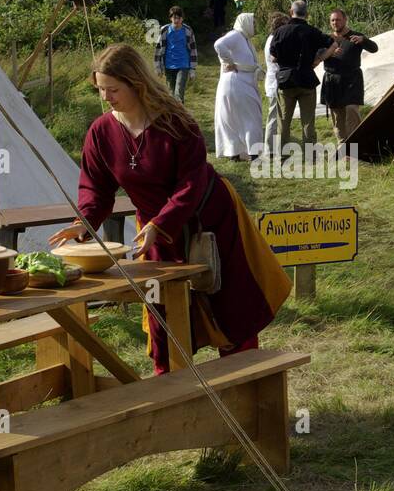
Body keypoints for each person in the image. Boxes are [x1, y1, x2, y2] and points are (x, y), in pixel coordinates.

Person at [49, 45, 291, 375]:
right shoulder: (101, 132)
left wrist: (162, 222)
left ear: (136, 83)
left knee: (228, 305)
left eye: (113, 89)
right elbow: (95, 187)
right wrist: (84, 222)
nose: (106, 96)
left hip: (212, 220)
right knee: (162, 307)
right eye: (100, 88)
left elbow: (191, 182)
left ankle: (244, 386)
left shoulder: (177, 123)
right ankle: (171, 388)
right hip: (155, 231)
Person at [271, 0, 339, 149]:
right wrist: (319, 59)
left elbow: (273, 56)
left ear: (291, 12)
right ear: (306, 14)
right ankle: (310, 155)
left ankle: (282, 156)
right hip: (307, 79)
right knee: (308, 121)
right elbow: (334, 44)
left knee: (284, 121)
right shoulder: (312, 31)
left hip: (286, 81)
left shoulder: (280, 32)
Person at [321, 9, 378, 142]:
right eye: (332, 20)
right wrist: (329, 52)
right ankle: (343, 145)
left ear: (345, 20)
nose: (335, 22)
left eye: (338, 19)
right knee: (338, 115)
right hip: (332, 81)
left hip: (352, 79)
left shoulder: (356, 37)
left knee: (352, 109)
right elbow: (318, 56)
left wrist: (363, 40)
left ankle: (356, 143)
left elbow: (374, 48)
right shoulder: (326, 39)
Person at [213, 12, 263, 161]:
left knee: (235, 119)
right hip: (236, 83)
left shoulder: (244, 39)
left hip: (239, 83)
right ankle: (249, 153)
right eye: (252, 22)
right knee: (249, 117)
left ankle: (236, 153)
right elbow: (218, 44)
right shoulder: (236, 35)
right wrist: (229, 61)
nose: (254, 25)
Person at [154, 6, 197, 103]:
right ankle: (174, 116)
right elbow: (158, 49)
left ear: (182, 18)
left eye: (179, 18)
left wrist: (192, 69)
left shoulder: (188, 30)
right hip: (168, 66)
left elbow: (193, 50)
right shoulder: (164, 30)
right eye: (174, 17)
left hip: (183, 65)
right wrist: (158, 67)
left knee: (178, 94)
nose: (176, 20)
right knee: (171, 95)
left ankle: (181, 116)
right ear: (170, 18)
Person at [261, 11, 289, 155]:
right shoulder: (275, 40)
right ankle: (269, 149)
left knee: (276, 116)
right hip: (275, 81)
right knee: (273, 116)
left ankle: (273, 147)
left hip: (274, 80)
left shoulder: (272, 38)